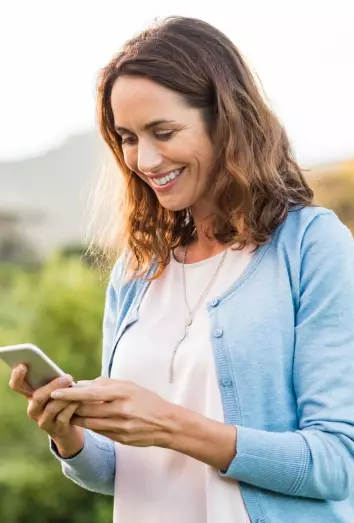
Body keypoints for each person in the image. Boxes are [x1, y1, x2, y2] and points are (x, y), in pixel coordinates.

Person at [9, 15, 354, 523]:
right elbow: (126, 471)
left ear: (226, 119)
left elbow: (337, 462)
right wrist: (71, 436)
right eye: (126, 137)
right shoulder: (137, 268)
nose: (144, 159)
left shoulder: (310, 245)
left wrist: (171, 424)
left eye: (163, 131)